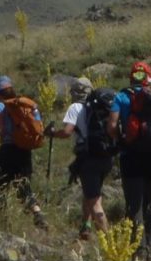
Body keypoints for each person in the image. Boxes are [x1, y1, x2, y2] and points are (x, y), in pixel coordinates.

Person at [114, 61, 151, 259]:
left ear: (131, 77)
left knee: (134, 203)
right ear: (150, 78)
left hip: (131, 156)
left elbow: (111, 125)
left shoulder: (122, 97)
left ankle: (138, 252)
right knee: (149, 200)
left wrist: (119, 140)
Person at [45, 76, 112, 242]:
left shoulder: (75, 107)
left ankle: (110, 244)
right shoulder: (100, 107)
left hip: (87, 158)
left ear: (74, 92)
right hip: (106, 156)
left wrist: (52, 133)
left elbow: (67, 132)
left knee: (95, 202)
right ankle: (86, 227)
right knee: (92, 193)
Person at [0, 76, 46, 227]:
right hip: (25, 149)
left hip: (8, 150)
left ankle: (3, 220)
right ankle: (37, 212)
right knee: (24, 185)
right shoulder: (25, 105)